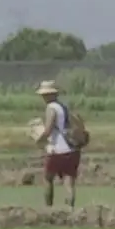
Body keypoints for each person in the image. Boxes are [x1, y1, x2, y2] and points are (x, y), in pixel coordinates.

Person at [32, 80, 79, 208]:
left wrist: (39, 139)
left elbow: (48, 130)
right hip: (72, 149)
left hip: (57, 149)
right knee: (68, 181)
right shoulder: (63, 107)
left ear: (50, 95)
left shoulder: (51, 108)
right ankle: (70, 209)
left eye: (45, 95)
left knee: (48, 178)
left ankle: (49, 208)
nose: (43, 97)